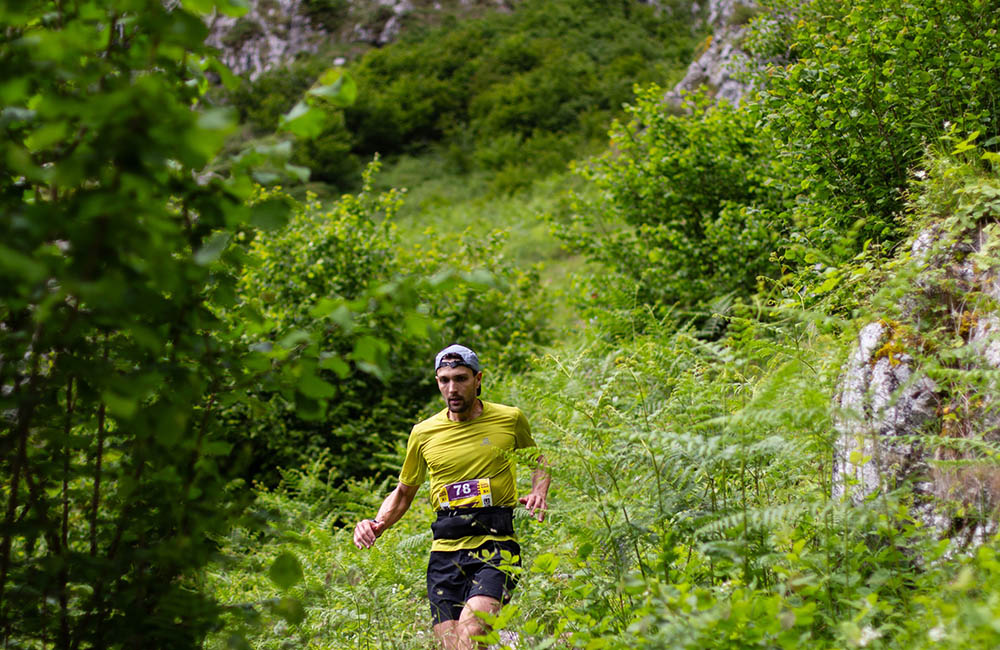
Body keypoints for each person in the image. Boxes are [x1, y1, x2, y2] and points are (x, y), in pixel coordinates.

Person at [353, 344, 550, 650]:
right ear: (437, 383)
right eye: (444, 380)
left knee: (472, 635)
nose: (452, 388)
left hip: (495, 545)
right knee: (453, 646)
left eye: (460, 378)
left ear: (478, 379)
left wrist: (539, 491)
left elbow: (537, 460)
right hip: (444, 553)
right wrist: (378, 522)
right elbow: (404, 492)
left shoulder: (509, 419)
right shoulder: (423, 432)